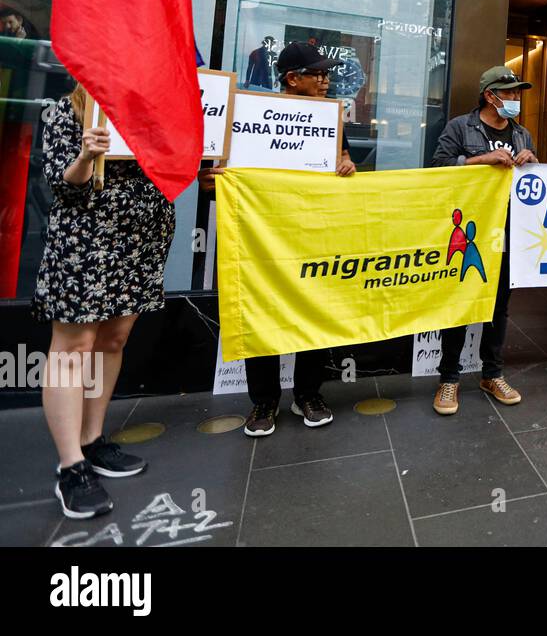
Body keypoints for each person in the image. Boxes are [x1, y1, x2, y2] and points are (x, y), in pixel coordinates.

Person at [205, 42, 358, 437]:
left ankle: (308, 393)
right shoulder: (248, 116)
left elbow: (345, 164)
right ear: (292, 79)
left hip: (312, 232)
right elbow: (216, 178)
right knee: (261, 313)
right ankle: (264, 400)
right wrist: (211, 181)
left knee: (312, 311)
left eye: (327, 74)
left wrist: (346, 163)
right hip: (261, 236)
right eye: (318, 74)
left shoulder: (331, 119)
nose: (326, 81)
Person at [36, 84, 175, 518]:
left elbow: (175, 161)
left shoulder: (152, 107)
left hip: (141, 239)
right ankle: (70, 466)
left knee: (113, 340)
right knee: (73, 348)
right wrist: (85, 156)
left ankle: (92, 440)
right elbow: (62, 186)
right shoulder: (66, 111)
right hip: (86, 240)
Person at [429, 65, 538, 413]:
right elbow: (437, 168)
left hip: (508, 231)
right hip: (469, 234)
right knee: (461, 303)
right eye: (510, 93)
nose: (516, 99)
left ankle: (492, 374)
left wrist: (532, 162)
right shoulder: (461, 127)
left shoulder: (523, 134)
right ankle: (449, 380)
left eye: (518, 93)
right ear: (490, 96)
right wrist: (480, 159)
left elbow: (533, 183)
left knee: (499, 307)